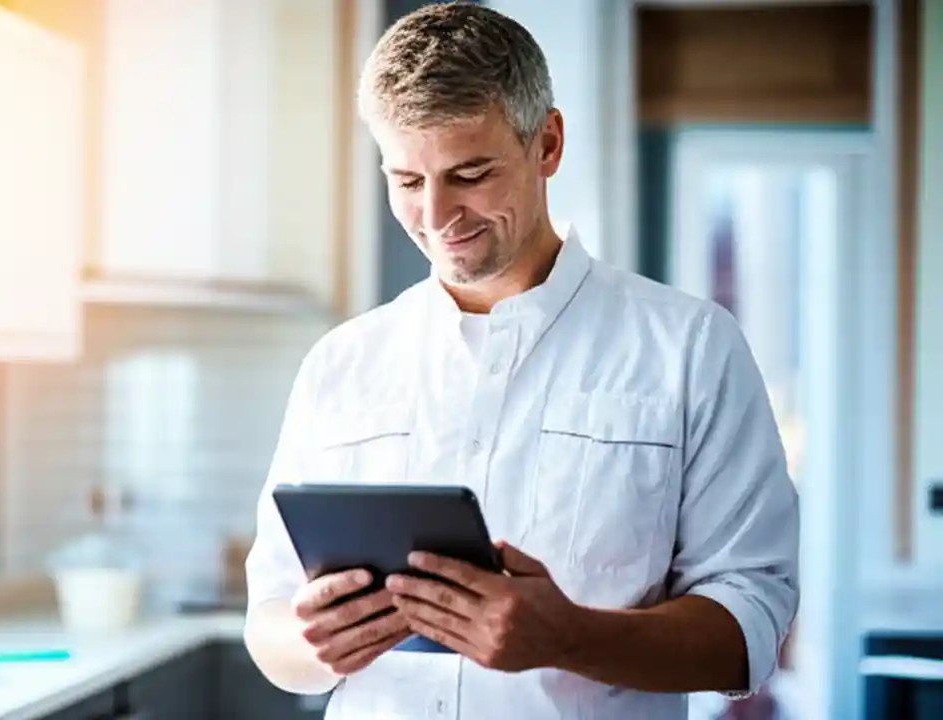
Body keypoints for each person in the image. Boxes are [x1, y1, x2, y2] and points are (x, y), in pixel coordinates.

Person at [242, 3, 799, 719]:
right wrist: (315, 642)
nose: (439, 218)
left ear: (549, 144)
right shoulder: (340, 364)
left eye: (471, 173)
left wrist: (569, 636)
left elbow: (750, 627)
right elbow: (269, 620)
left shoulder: (691, 348)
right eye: (408, 182)